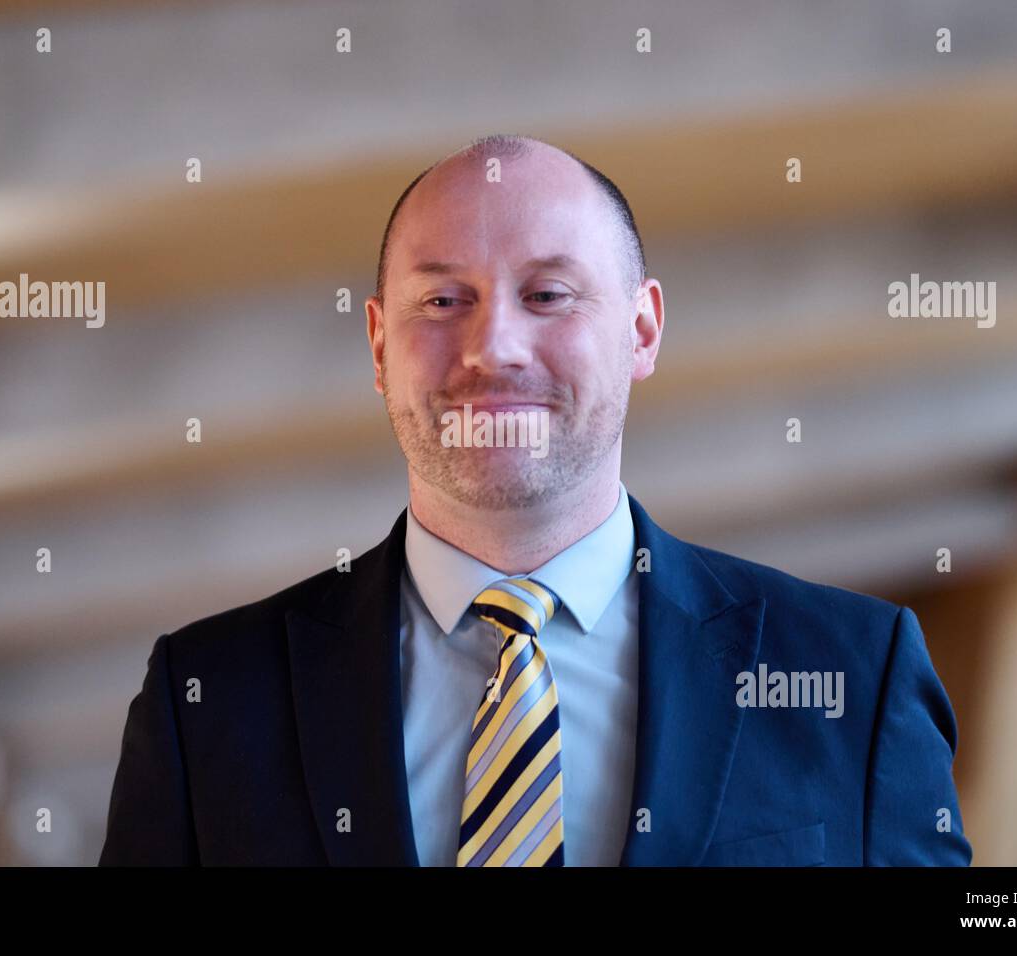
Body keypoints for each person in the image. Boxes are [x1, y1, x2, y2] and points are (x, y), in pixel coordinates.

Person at [98, 134, 971, 867]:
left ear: (641, 329)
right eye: (443, 300)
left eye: (548, 295)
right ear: (377, 344)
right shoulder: (208, 697)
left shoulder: (855, 673)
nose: (494, 348)